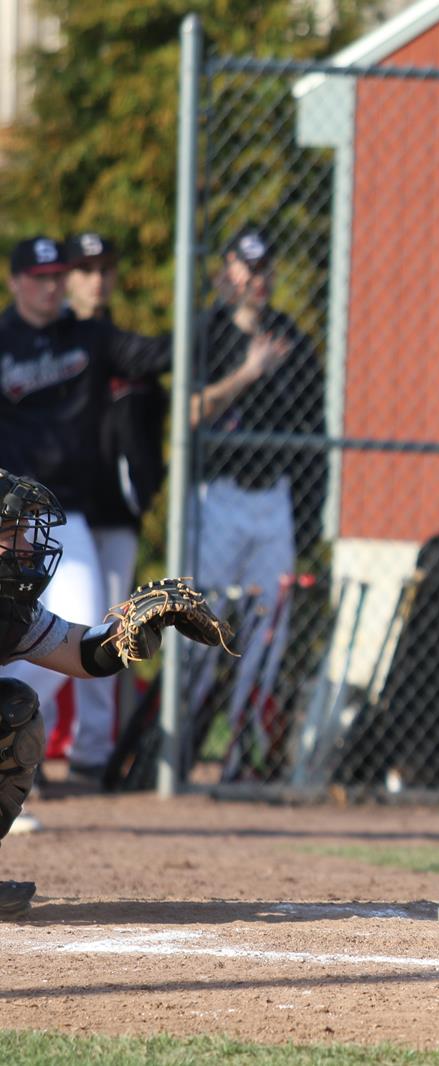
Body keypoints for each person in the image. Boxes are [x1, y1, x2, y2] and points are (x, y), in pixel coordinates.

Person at [0, 469, 231, 919]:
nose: (28, 546)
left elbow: (81, 654)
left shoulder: (9, 610)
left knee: (14, 716)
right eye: (13, 532)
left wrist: (134, 632)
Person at [0, 237, 169, 789]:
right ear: (15, 281)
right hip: (4, 515)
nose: (50, 287)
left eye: (57, 277)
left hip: (61, 516)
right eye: (40, 277)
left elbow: (158, 355)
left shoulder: (90, 335)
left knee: (81, 615)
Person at [191, 226, 325, 768]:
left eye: (265, 267)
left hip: (273, 499)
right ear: (228, 271)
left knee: (268, 629)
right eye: (248, 268)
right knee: (205, 617)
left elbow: (313, 433)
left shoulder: (291, 337)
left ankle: (242, 753)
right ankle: (185, 740)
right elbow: (193, 412)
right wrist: (248, 373)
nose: (258, 279)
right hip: (219, 497)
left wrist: (306, 515)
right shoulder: (208, 332)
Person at [61, 232, 169, 786]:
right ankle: (34, 737)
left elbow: (155, 403)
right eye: (85, 269)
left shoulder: (120, 342)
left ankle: (91, 754)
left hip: (113, 513)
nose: (96, 279)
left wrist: (144, 487)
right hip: (58, 510)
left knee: (108, 630)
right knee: (46, 625)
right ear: (66, 277)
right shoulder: (51, 343)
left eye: (105, 268)